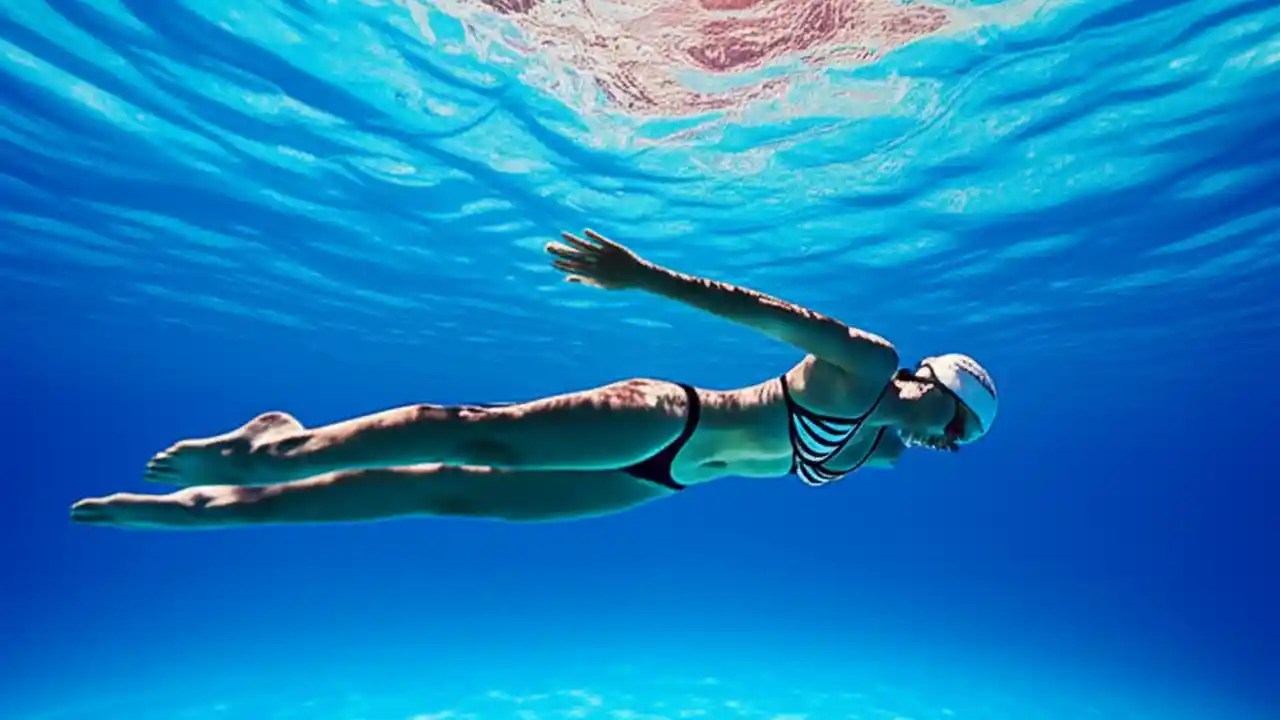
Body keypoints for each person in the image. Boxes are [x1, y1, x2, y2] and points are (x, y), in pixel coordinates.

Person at [69, 229, 998, 530]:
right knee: (479, 435)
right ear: (941, 385)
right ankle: (272, 451)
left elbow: (875, 449)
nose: (947, 447)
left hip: (657, 481)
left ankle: (209, 509)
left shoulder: (883, 445)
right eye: (957, 428)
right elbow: (761, 315)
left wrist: (896, 445)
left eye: (962, 445)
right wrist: (644, 277)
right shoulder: (871, 365)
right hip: (665, 421)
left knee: (446, 494)